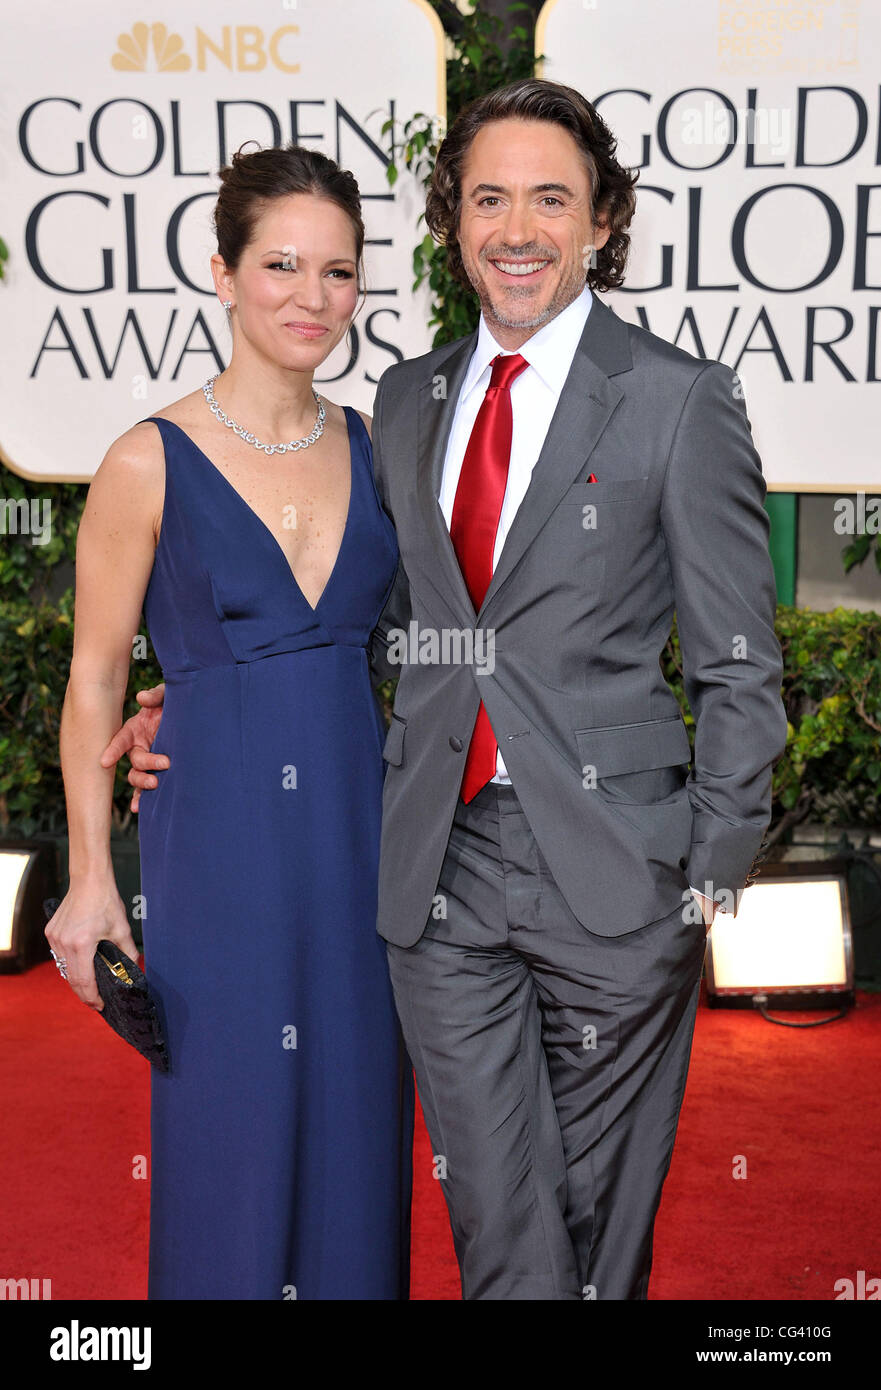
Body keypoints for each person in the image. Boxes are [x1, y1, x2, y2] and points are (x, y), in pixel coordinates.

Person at [110, 79, 788, 1301]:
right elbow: (387, 626)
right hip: (434, 878)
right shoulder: (409, 403)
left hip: (616, 874)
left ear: (599, 221)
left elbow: (740, 661)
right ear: (452, 222)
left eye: (548, 198)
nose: (515, 227)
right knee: (494, 1215)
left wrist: (702, 878)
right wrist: (205, 699)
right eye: (487, 197)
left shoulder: (679, 400)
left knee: (596, 1229)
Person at [46, 143, 413, 1301]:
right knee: (230, 1130)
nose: (312, 297)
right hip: (215, 842)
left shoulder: (376, 447)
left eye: (340, 273)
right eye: (282, 265)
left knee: (359, 1125)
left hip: (359, 838)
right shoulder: (144, 460)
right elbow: (97, 680)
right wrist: (91, 878)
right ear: (223, 270)